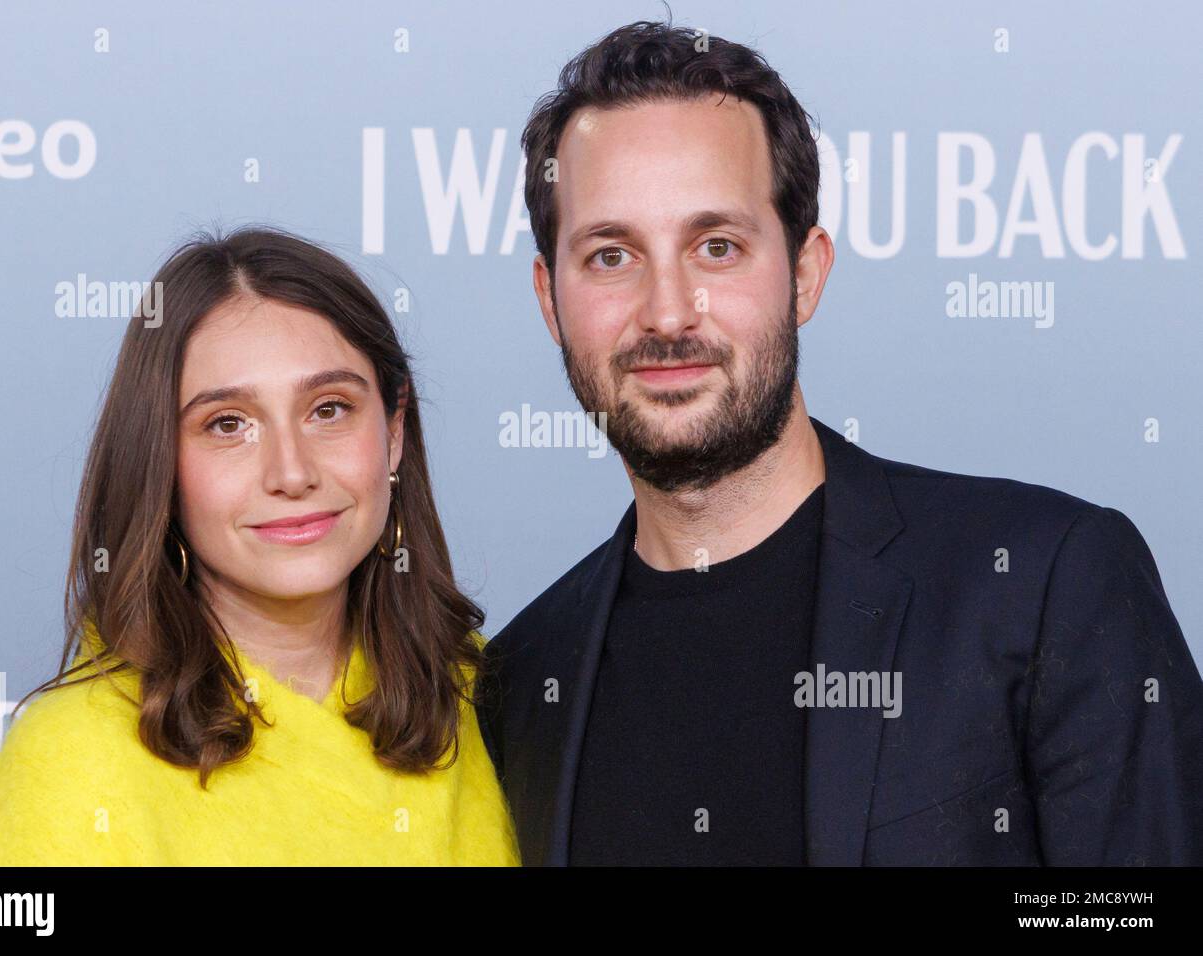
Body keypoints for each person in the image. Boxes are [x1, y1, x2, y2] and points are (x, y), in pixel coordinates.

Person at [475, 19, 1203, 866]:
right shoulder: (520, 683)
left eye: (717, 247)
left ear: (805, 273)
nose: (668, 312)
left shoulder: (1046, 583)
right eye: (609, 256)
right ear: (547, 298)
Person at [0, 227, 520, 866]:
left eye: (329, 410)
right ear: (161, 464)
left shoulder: (487, 699)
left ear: (392, 432)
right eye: (229, 424)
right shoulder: (69, 760)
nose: (291, 471)